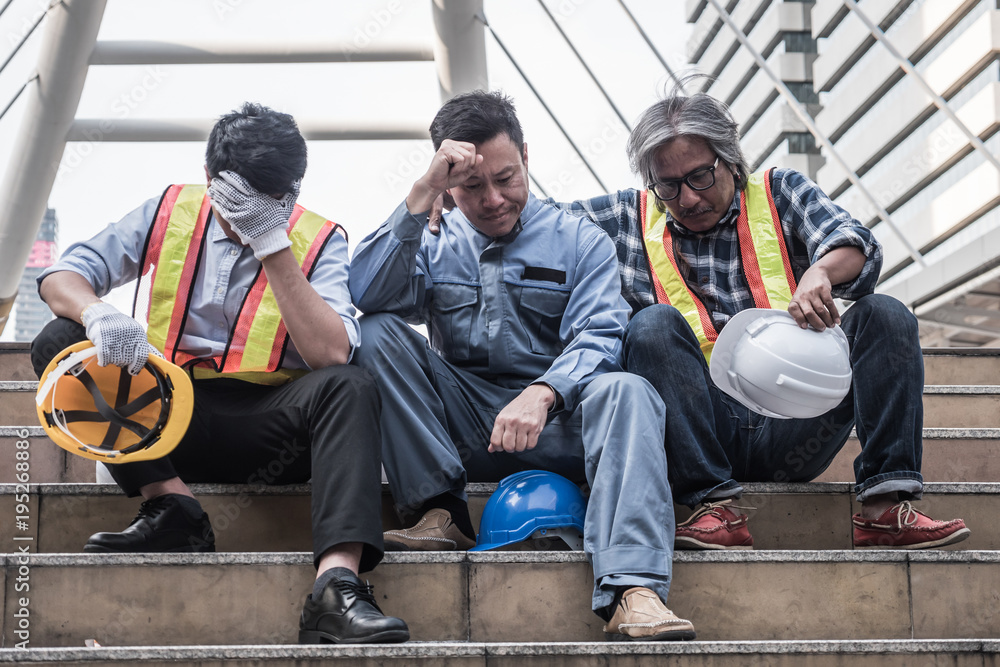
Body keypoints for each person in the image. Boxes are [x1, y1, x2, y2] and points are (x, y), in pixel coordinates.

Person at [31, 102, 409, 644]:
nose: (267, 208)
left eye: (280, 198)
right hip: (166, 418)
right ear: (212, 179)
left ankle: (335, 588)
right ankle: (172, 505)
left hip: (272, 428)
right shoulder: (170, 209)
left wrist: (272, 242)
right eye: (248, 197)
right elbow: (63, 274)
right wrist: (98, 312)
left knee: (350, 386)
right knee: (60, 339)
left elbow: (331, 354)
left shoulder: (320, 239)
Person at [547, 85, 969, 550]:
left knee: (885, 314)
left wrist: (820, 272)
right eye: (668, 185)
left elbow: (855, 243)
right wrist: (451, 189)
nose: (686, 198)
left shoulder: (779, 191)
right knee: (650, 326)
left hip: (798, 422)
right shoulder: (627, 215)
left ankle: (885, 509)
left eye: (700, 177)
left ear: (730, 160)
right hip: (700, 427)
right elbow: (523, 218)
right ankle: (713, 508)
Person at [349, 90, 695, 640]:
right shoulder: (432, 236)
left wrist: (545, 390)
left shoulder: (580, 240)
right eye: (470, 186)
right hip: (465, 428)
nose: (492, 200)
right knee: (375, 334)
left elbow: (601, 333)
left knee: (627, 389)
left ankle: (635, 592)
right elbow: (365, 294)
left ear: (527, 157)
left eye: (506, 178)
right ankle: (438, 512)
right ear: (448, 184)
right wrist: (420, 195)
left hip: (562, 425)